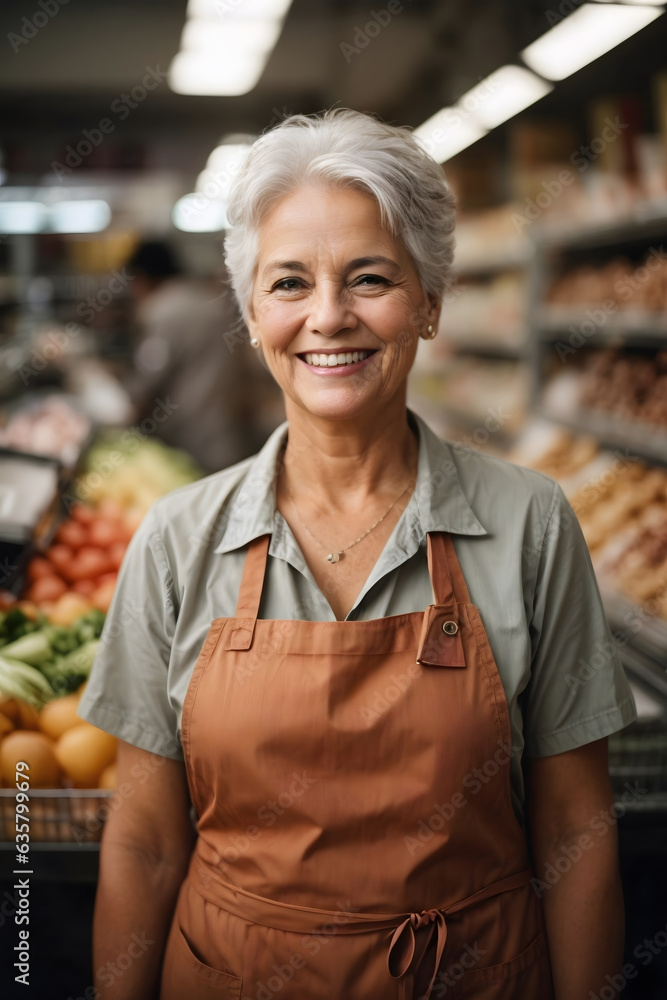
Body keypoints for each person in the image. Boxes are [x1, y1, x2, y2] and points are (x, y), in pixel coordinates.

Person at [78, 109, 637, 1000]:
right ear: (252, 310)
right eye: (289, 282)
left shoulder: (529, 523)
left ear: (429, 301)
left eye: (369, 278)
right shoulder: (178, 539)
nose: (328, 317)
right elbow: (143, 842)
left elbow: (576, 827)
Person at [123, 239, 274, 473]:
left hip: (189, 441)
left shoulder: (163, 311)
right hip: (231, 434)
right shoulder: (206, 301)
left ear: (141, 278)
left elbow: (147, 379)